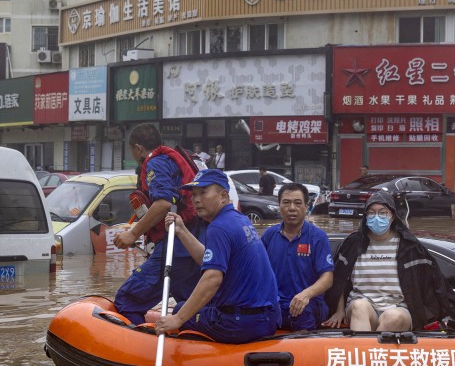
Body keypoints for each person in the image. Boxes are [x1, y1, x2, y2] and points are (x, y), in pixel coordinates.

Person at [154, 169, 279, 343]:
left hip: (239, 324)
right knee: (191, 307)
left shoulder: (218, 227)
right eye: (194, 195)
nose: (196, 200)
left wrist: (178, 319)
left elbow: (212, 278)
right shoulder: (239, 219)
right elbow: (207, 259)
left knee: (179, 309)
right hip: (266, 318)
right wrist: (181, 230)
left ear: (223, 195)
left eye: (203, 192)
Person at [324, 191, 455, 332]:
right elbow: (339, 279)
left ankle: (376, 354)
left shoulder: (408, 247)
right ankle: (366, 354)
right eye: (371, 212)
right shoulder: (353, 243)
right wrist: (339, 311)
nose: (377, 217)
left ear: (392, 216)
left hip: (399, 308)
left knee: (393, 316)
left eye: (383, 212)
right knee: (358, 306)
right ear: (366, 216)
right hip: (362, 306)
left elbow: (437, 282)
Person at [114, 124, 201, 325]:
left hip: (176, 244)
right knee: (189, 304)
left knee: (127, 299)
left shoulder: (156, 163)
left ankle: (134, 352)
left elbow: (163, 202)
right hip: (192, 242)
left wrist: (133, 234)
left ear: (138, 148)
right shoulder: (169, 160)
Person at [260, 182, 334, 330]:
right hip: (277, 303)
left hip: (309, 303)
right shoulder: (269, 235)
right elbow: (258, 272)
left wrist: (306, 294)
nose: (292, 208)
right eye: (286, 203)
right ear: (279, 206)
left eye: (298, 203)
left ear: (306, 207)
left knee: (302, 313)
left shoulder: (318, 237)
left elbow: (327, 278)